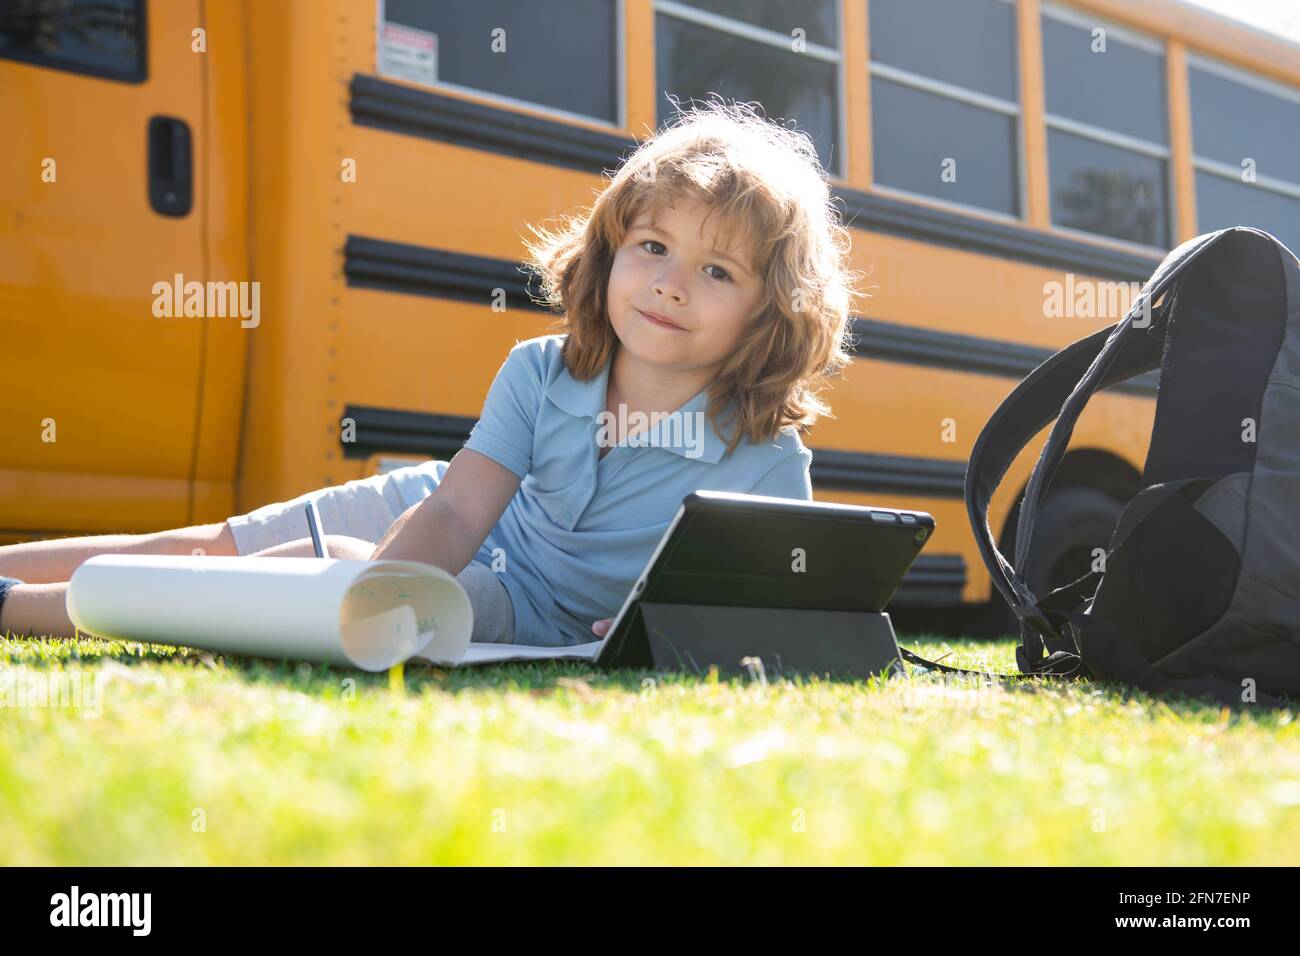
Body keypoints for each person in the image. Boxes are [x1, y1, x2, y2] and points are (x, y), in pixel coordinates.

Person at [0, 99, 863, 648]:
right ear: (608, 255)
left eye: (719, 271)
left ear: (770, 310)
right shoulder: (541, 371)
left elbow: (770, 605)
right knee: (216, 544)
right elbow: (456, 506)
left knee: (313, 588)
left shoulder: (765, 454)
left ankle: (13, 608)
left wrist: (662, 629)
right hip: (456, 507)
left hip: (512, 599)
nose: (672, 283)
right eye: (652, 247)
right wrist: (390, 570)